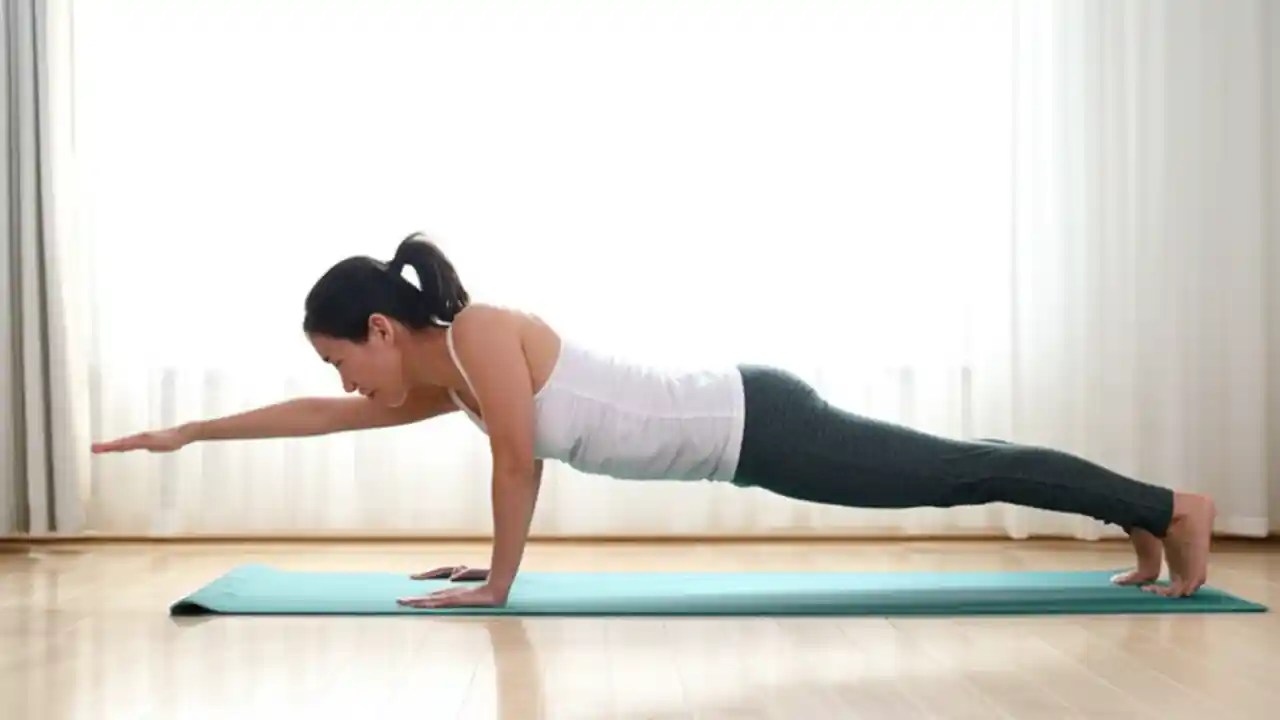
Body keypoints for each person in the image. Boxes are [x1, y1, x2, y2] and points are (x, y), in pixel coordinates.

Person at [91, 232, 1217, 608]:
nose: (344, 385)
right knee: (964, 464)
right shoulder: (449, 376)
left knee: (953, 475)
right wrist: (191, 435)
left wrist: (496, 580)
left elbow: (517, 467)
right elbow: (316, 423)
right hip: (749, 432)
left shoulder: (481, 335)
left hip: (754, 422)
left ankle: (1171, 508)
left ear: (383, 329)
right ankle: (1134, 521)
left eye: (342, 359)